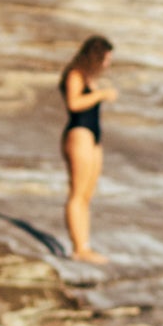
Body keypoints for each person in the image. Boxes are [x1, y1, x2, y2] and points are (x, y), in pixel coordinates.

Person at [57, 38, 114, 261]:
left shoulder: (90, 77)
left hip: (93, 136)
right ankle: (79, 248)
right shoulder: (75, 74)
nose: (108, 63)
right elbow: (73, 103)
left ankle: (85, 245)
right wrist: (101, 94)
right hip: (78, 133)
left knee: (87, 195)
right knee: (77, 194)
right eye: (106, 58)